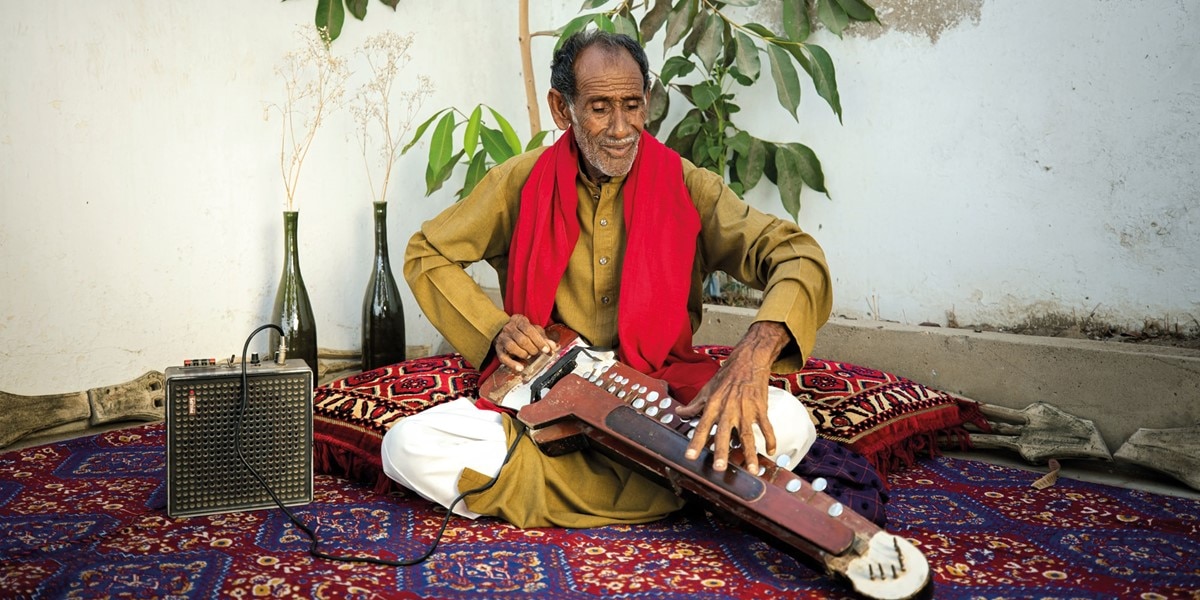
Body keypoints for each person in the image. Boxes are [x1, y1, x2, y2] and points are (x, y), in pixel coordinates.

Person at [383, 30, 833, 529]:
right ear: (562, 109)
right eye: (600, 107)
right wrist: (494, 330)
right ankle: (691, 490)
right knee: (406, 446)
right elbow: (428, 252)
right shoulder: (520, 181)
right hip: (547, 398)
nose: (622, 128)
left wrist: (755, 351)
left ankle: (548, 488)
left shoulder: (685, 184)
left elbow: (796, 254)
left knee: (790, 422)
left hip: (663, 399)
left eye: (633, 105)